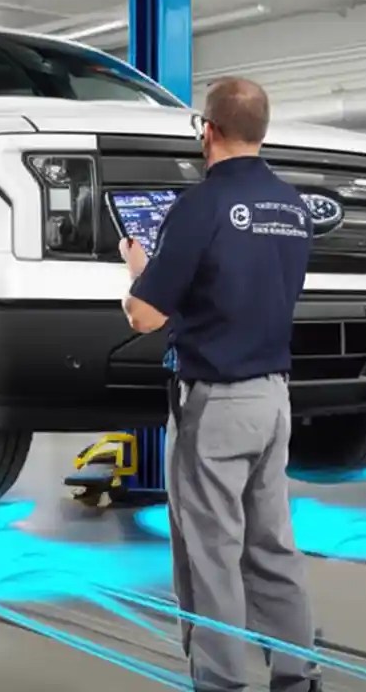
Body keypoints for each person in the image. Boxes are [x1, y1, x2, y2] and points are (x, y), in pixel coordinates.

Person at [119, 77, 321, 692]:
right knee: (272, 547)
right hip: (274, 401)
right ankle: (297, 675)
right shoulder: (293, 207)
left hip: (216, 406)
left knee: (211, 557)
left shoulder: (199, 207)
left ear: (206, 131)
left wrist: (137, 268)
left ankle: (222, 682)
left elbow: (144, 315)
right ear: (261, 131)